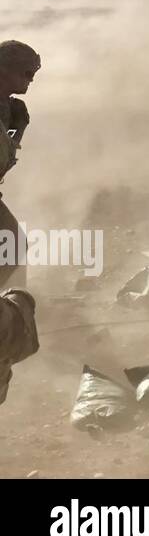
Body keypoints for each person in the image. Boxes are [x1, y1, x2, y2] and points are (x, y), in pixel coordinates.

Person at [0, 40, 41, 403]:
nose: (29, 80)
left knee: (14, 245)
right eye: (25, 72)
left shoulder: (10, 110)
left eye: (34, 74)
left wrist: (16, 130)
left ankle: (14, 322)